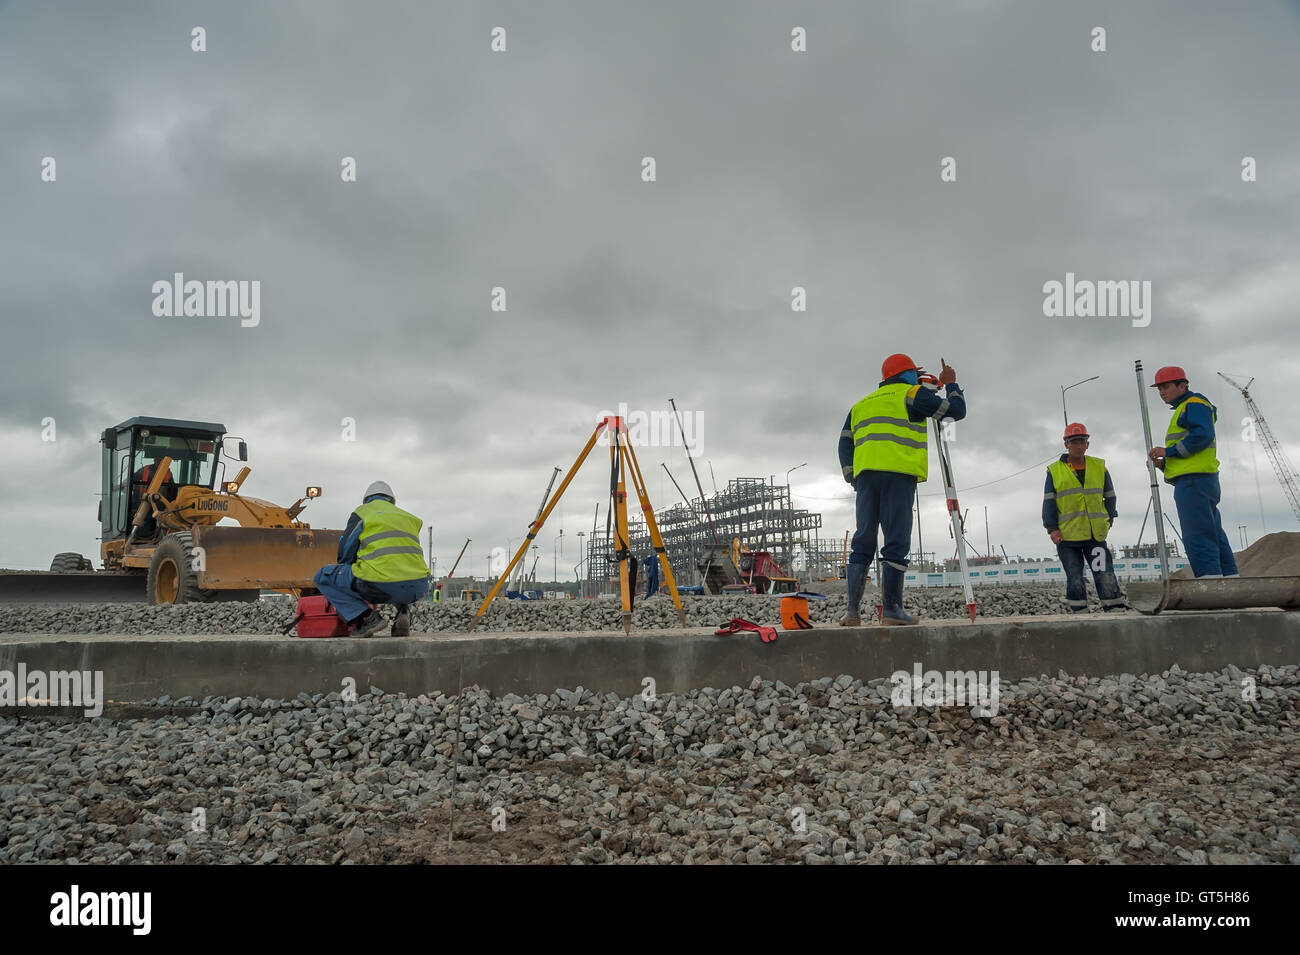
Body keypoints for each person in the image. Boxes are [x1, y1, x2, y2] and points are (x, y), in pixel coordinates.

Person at [837, 354, 966, 625]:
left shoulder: (861, 404)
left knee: (863, 540)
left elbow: (844, 443)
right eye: (915, 374)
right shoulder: (911, 394)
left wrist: (853, 477)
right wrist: (952, 385)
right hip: (898, 476)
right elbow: (955, 412)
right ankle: (893, 610)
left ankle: (852, 612)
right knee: (895, 541)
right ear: (907, 374)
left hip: (867, 479)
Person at [1147, 366, 1239, 578]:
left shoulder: (1193, 404)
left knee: (1197, 534)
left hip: (1194, 482)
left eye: (1166, 386)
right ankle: (1230, 581)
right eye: (1159, 388)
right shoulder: (1188, 407)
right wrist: (1164, 465)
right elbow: (1193, 451)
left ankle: (1210, 583)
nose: (1162, 392)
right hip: (1201, 480)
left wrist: (1168, 451)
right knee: (1213, 532)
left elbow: (1201, 436)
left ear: (1183, 385)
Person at [312, 481, 430, 636]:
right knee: (399, 574)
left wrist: (347, 577)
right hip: (419, 585)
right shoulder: (409, 518)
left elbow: (346, 548)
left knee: (322, 576)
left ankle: (366, 618)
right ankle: (404, 613)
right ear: (391, 500)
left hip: (379, 583)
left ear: (367, 499)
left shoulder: (363, 512)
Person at [1043, 423, 1126, 612]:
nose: (1079, 445)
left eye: (1082, 441)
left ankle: (1115, 609)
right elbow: (1049, 501)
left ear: (1088, 444)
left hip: (1094, 536)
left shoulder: (1099, 467)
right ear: (1066, 444)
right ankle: (1079, 612)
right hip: (1068, 537)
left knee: (1104, 572)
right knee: (1074, 575)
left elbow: (1110, 496)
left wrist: (1108, 519)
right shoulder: (1055, 471)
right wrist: (1052, 528)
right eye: (1074, 442)